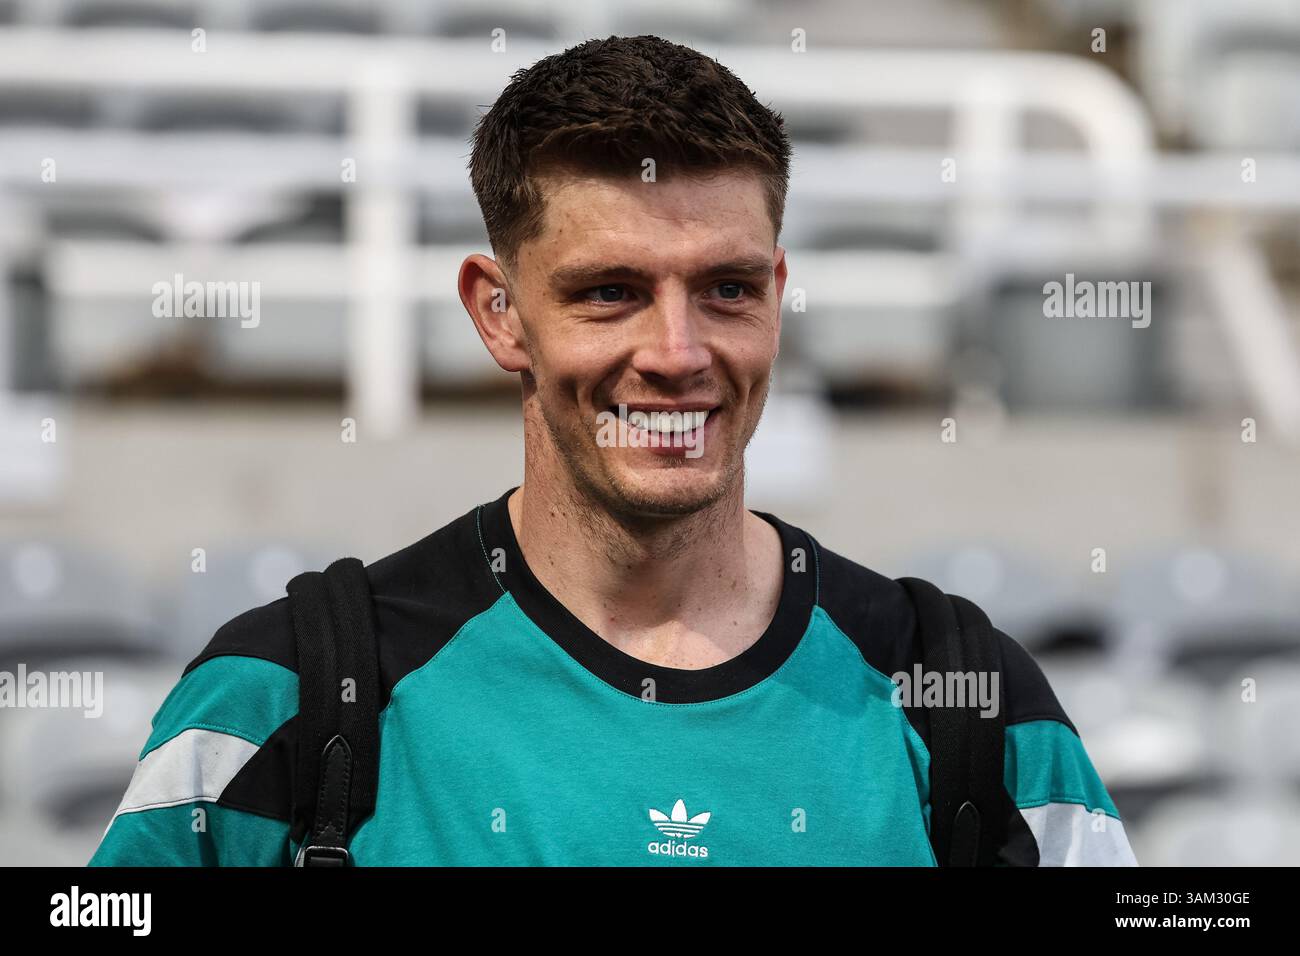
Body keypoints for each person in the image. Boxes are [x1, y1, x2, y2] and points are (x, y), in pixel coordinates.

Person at [90, 34, 1136, 866]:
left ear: (776, 297)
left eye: (725, 288)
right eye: (609, 292)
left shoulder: (965, 700)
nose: (676, 354)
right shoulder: (283, 692)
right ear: (499, 315)